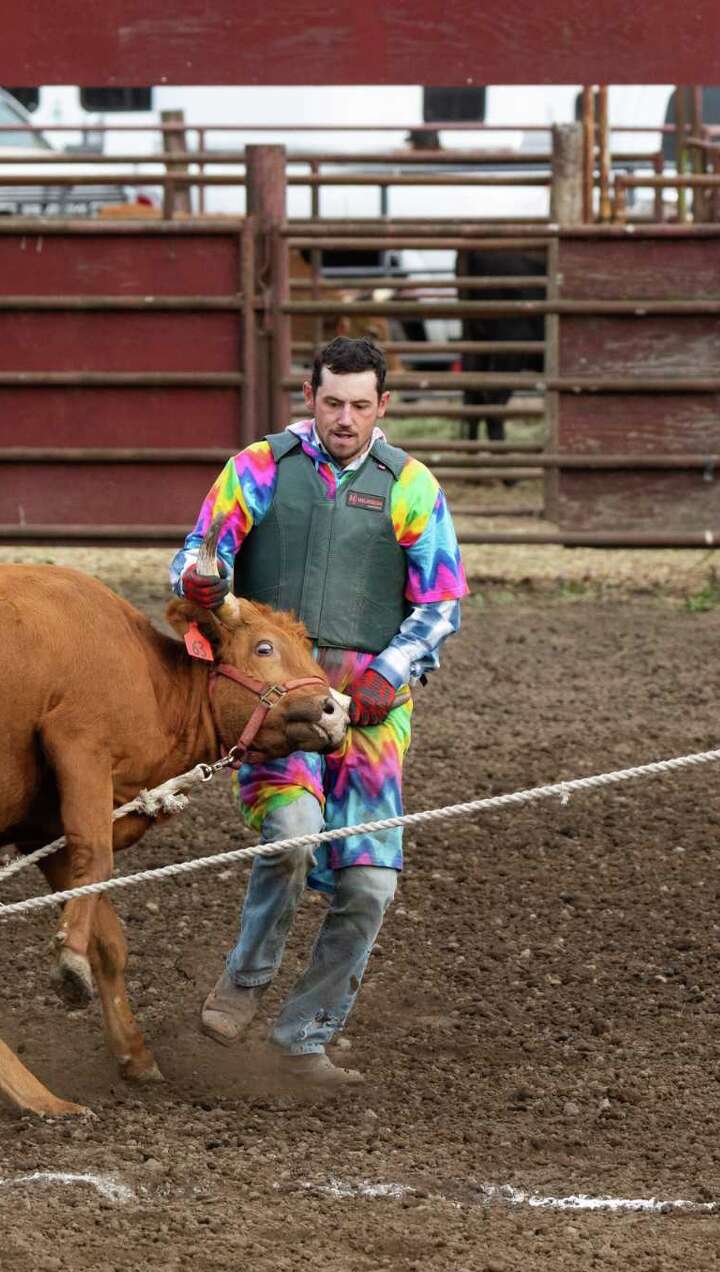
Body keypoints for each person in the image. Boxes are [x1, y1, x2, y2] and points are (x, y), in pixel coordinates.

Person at [170, 336, 468, 1086]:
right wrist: (205, 580)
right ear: (310, 397)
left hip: (370, 707)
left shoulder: (412, 486)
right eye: (332, 402)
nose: (345, 418)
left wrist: (390, 670)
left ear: (383, 407)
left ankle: (306, 1034)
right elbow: (196, 557)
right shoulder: (260, 467)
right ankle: (245, 979)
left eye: (360, 405)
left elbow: (441, 603)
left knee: (370, 882)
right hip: (278, 700)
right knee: (292, 835)